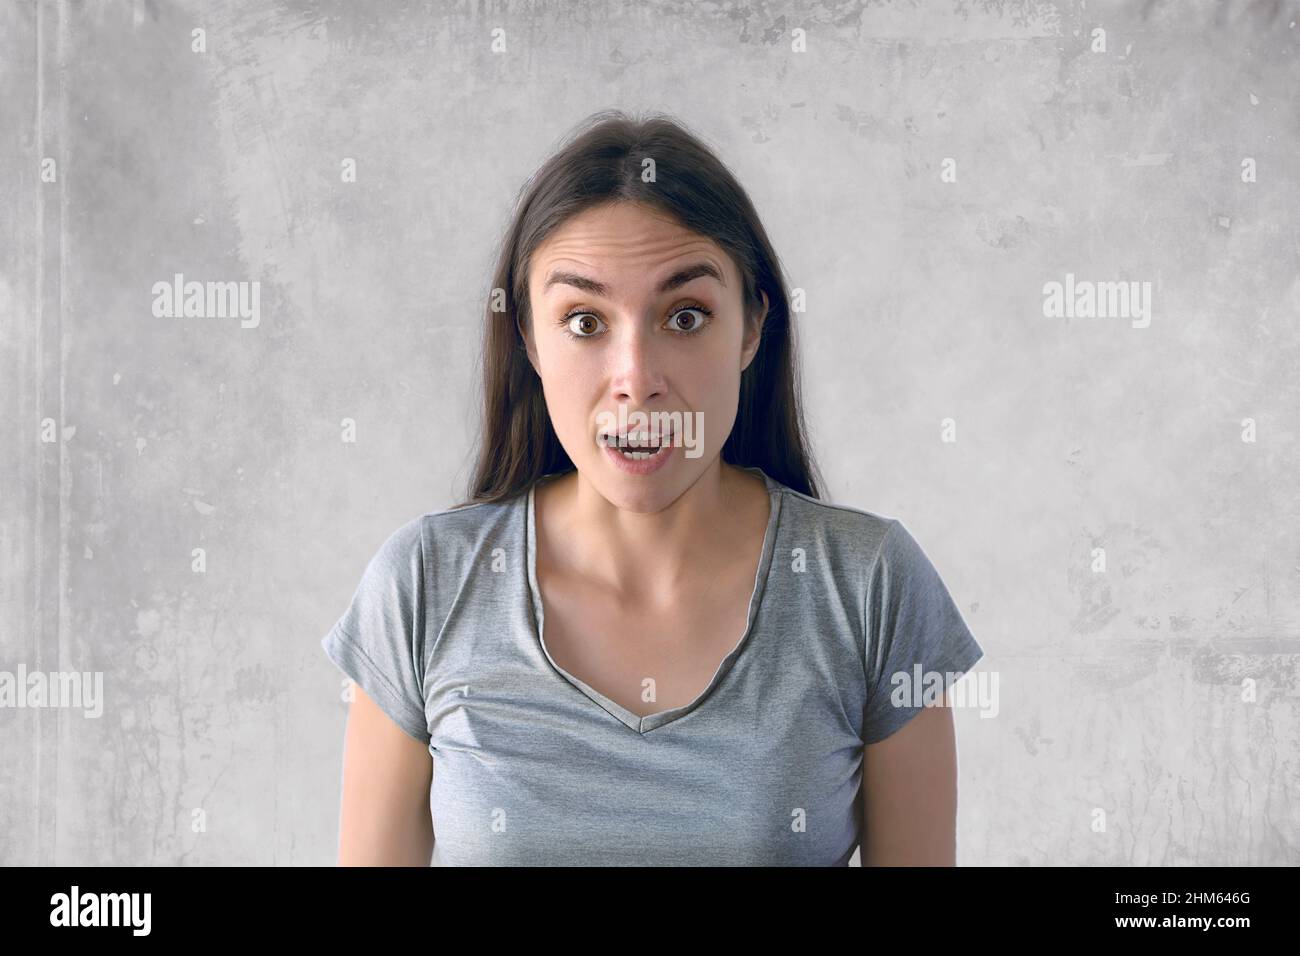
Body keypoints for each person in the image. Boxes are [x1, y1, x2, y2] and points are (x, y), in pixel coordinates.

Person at [321, 109, 984, 866]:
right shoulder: (424, 588)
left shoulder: (872, 587)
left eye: (685, 315)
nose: (636, 381)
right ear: (530, 340)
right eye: (583, 322)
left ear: (750, 329)